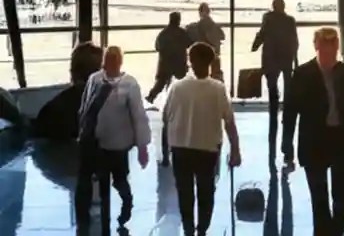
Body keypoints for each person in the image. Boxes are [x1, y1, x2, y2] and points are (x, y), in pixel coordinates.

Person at [283, 26, 344, 236]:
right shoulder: (303, 73)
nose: (330, 50)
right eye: (325, 45)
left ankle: (335, 231)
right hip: (314, 142)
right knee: (319, 200)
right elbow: (291, 110)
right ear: (316, 46)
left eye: (333, 45)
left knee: (342, 200)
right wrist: (287, 145)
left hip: (339, 138)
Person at [164, 42, 241, 236]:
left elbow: (166, 118)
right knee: (206, 192)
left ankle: (189, 229)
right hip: (207, 149)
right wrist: (235, 149)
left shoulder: (177, 87)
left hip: (180, 148)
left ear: (190, 61)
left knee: (184, 192)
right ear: (211, 62)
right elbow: (229, 122)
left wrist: (165, 150)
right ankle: (202, 229)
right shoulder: (218, 89)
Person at [77, 46, 150, 229]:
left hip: (119, 144)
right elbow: (85, 108)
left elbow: (138, 116)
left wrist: (142, 146)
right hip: (98, 143)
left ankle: (126, 202)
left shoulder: (130, 84)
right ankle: (105, 219)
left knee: (119, 179)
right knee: (103, 181)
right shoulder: (94, 80)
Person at [252, 0, 300, 155]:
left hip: (271, 58)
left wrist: (255, 45)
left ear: (273, 7)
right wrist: (295, 59)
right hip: (286, 58)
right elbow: (295, 41)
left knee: (272, 86)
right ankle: (287, 112)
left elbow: (262, 33)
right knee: (288, 85)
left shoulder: (268, 18)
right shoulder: (290, 20)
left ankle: (273, 111)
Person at [148, 12, 192, 104]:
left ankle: (151, 97)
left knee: (160, 84)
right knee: (182, 83)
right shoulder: (182, 32)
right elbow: (189, 43)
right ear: (179, 20)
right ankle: (183, 101)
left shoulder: (163, 33)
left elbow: (157, 47)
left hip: (165, 64)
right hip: (179, 64)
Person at [186, 3, 225, 79]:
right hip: (214, 56)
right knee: (217, 77)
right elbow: (222, 36)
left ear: (200, 13)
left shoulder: (194, 28)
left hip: (201, 57)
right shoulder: (215, 27)